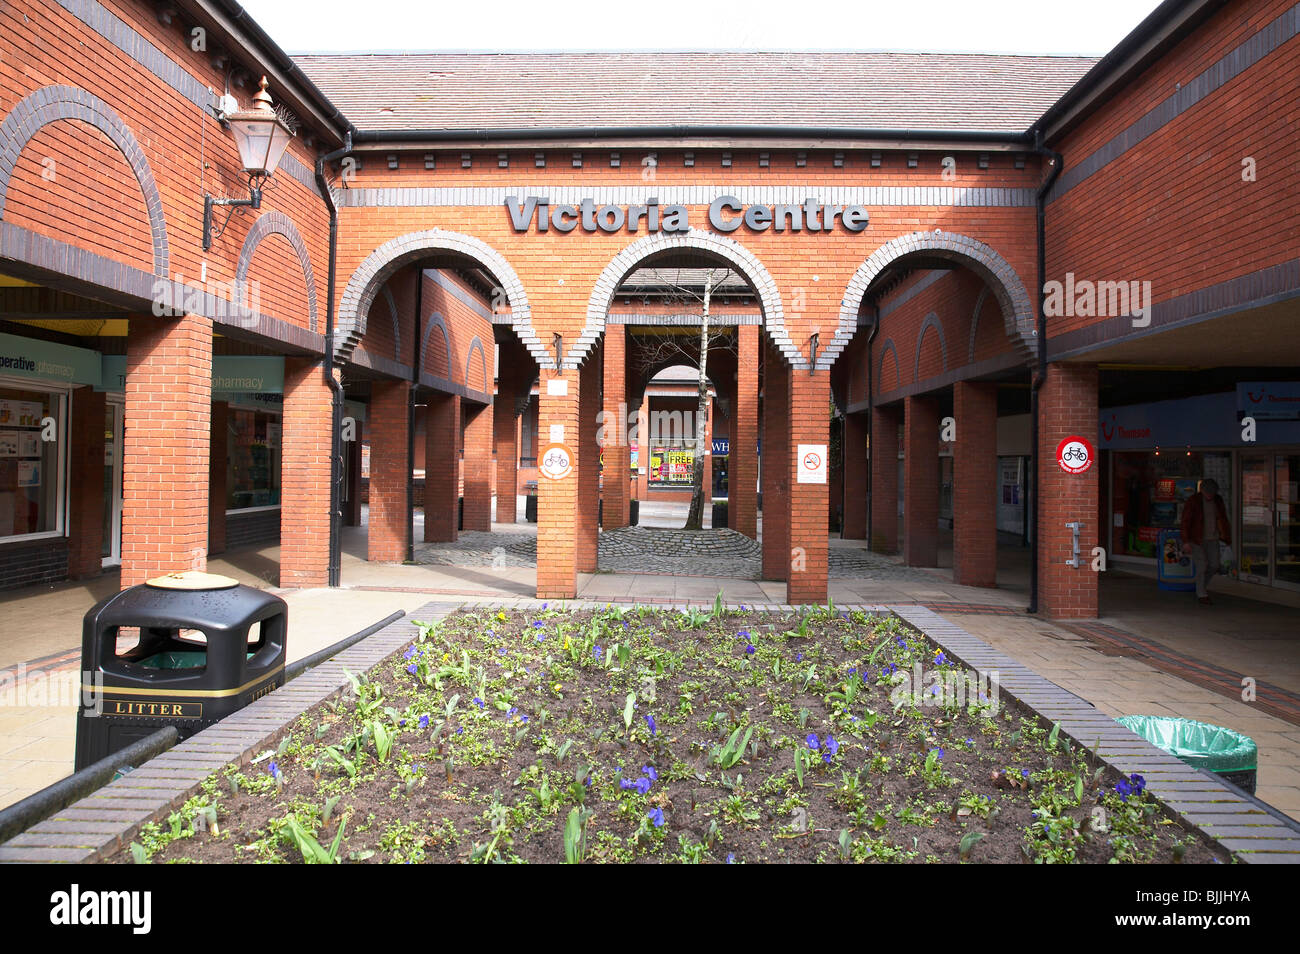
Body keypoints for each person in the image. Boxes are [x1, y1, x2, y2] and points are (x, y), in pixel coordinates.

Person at [1180, 477, 1231, 605]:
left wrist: (1226, 536)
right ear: (1201, 490)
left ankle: (1200, 585)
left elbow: (1223, 518)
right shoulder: (1193, 501)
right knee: (1202, 565)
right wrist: (1186, 541)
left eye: (1212, 493)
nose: (1209, 495)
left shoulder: (1218, 500)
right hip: (1196, 538)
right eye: (1207, 493)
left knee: (1214, 565)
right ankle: (1201, 593)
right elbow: (1185, 521)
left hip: (1213, 538)